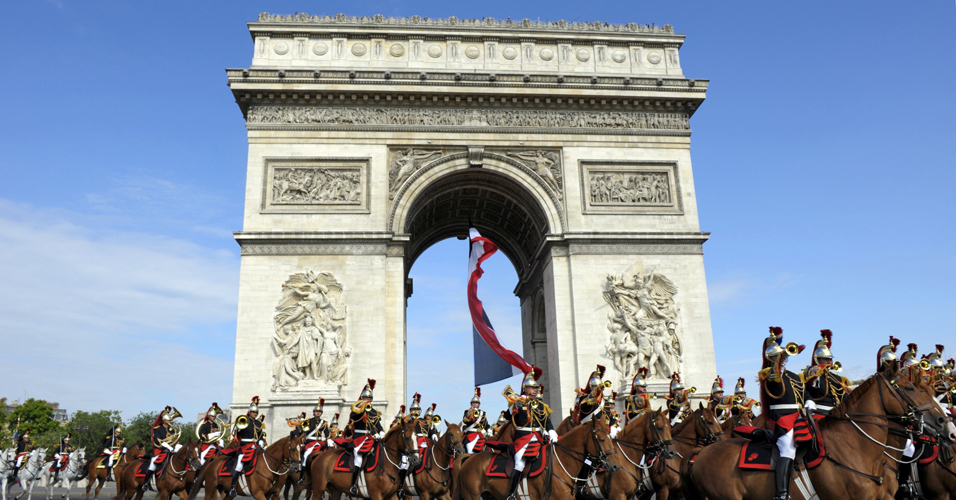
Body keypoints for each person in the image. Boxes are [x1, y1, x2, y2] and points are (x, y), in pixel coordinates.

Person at [758, 327, 808, 500]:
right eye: (777, 356)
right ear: (770, 358)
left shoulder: (794, 376)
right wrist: (783, 356)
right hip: (782, 419)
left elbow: (804, 392)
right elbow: (776, 377)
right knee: (788, 450)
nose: (782, 358)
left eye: (782, 356)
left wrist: (809, 401)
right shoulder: (768, 374)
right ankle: (781, 494)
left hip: (799, 416)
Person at [502, 367, 556, 500]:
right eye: (532, 388)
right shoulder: (518, 402)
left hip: (538, 438)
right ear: (526, 389)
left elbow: (546, 420)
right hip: (523, 440)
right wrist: (513, 405)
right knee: (519, 463)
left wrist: (551, 431)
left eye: (536, 388)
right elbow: (507, 417)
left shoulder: (540, 405)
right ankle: (511, 494)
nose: (535, 390)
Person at [343, 380, 384, 497]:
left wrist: (381, 432)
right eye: (366, 397)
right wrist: (360, 408)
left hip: (371, 438)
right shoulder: (357, 408)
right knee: (358, 458)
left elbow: (378, 425)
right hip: (359, 438)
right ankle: (354, 485)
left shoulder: (374, 412)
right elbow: (353, 417)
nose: (367, 399)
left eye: (369, 398)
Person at [803, 330, 852, 416]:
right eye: (826, 359)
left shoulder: (836, 378)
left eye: (830, 359)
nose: (829, 362)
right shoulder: (813, 375)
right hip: (819, 413)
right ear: (817, 360)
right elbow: (808, 389)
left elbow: (843, 397)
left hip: (837, 414)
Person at [227, 397, 266, 497]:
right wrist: (239, 428)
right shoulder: (244, 421)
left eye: (256, 412)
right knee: (239, 465)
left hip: (256, 446)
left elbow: (260, 435)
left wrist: (261, 441)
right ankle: (232, 487)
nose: (255, 413)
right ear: (249, 412)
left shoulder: (258, 423)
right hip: (245, 447)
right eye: (253, 412)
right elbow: (238, 434)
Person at [142, 406, 181, 491]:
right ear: (164, 420)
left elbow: (175, 439)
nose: (170, 421)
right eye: (168, 420)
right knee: (152, 466)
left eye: (170, 420)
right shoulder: (158, 429)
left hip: (169, 450)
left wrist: (176, 446)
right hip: (159, 451)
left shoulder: (171, 429)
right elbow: (158, 441)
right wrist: (169, 447)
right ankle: (146, 483)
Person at [302, 399, 331, 468]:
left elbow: (327, 434)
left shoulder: (323, 422)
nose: (318, 413)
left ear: (321, 413)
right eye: (316, 411)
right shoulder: (308, 421)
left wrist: (329, 440)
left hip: (320, 443)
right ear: (314, 412)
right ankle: (303, 473)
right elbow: (304, 433)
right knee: (306, 455)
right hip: (310, 443)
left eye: (319, 412)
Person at [461, 387, 491, 453]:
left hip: (481, 434)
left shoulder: (483, 413)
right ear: (471, 404)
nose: (475, 404)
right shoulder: (467, 411)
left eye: (476, 402)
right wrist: (470, 415)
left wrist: (489, 429)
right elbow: (465, 421)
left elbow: (485, 423)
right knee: (470, 452)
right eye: (473, 402)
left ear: (479, 404)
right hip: (471, 434)